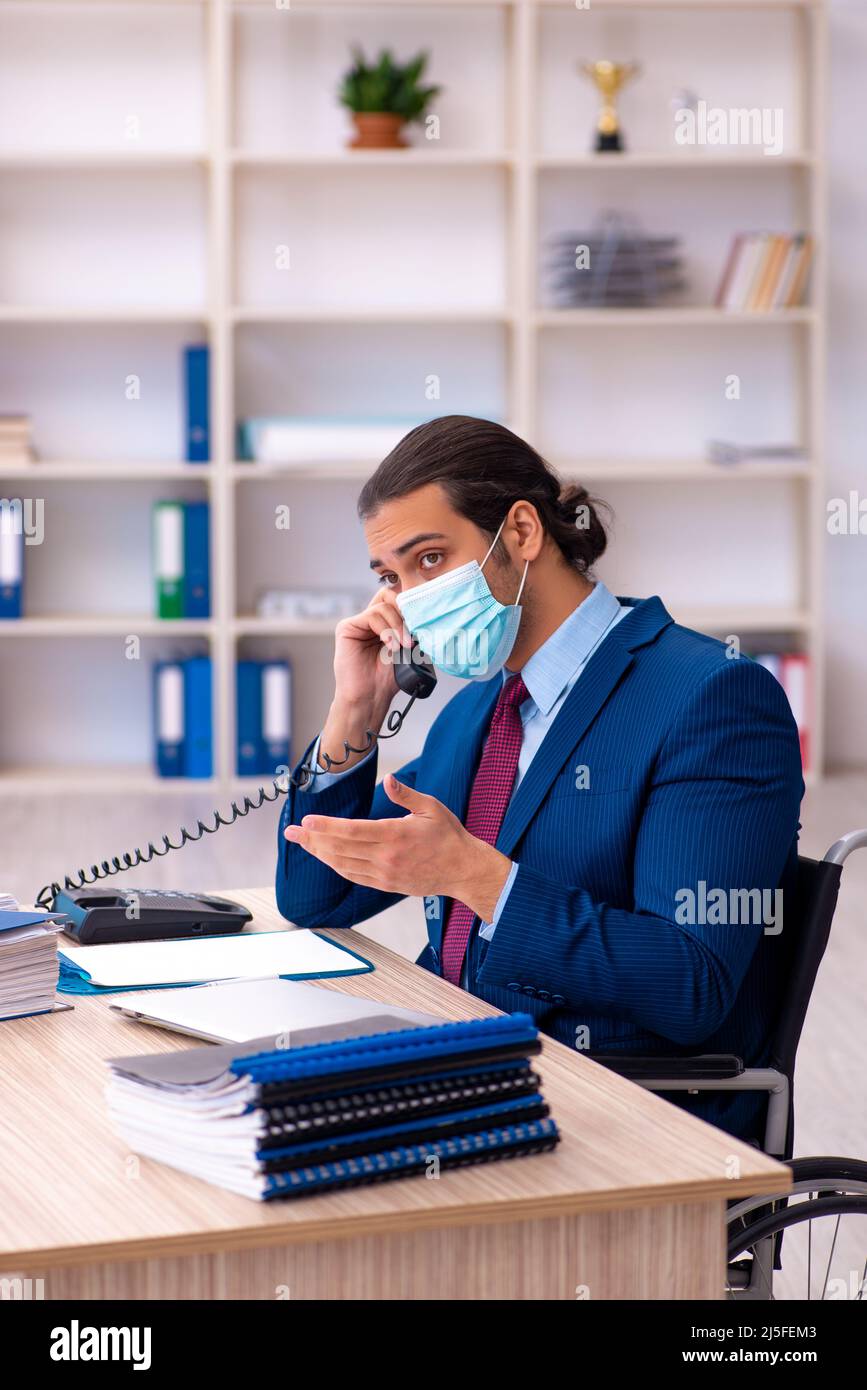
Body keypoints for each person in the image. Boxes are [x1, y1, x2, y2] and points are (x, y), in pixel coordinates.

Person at [276, 415, 803, 1143]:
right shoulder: (477, 713)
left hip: (616, 1114)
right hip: (464, 1072)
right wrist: (353, 713)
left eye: (429, 560)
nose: (411, 598)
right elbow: (315, 896)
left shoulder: (709, 697)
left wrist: (481, 880)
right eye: (392, 578)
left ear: (522, 532)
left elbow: (691, 984)